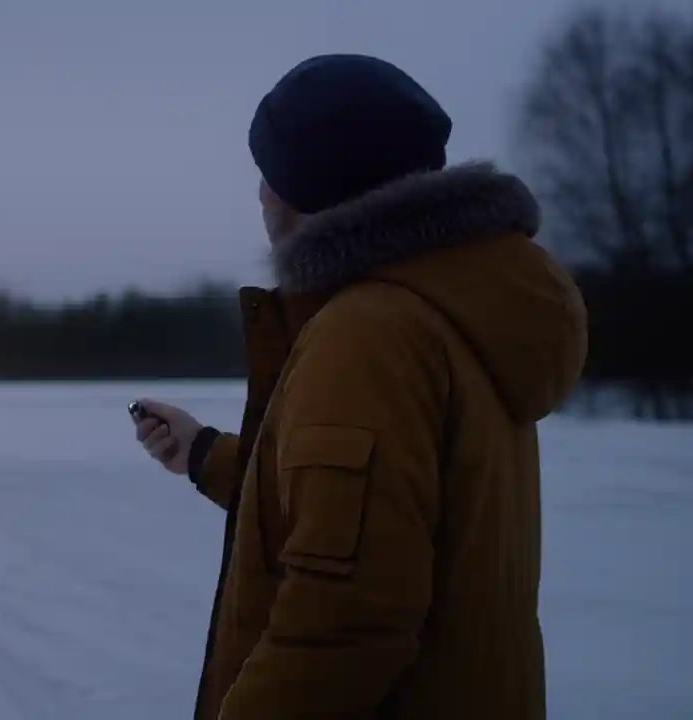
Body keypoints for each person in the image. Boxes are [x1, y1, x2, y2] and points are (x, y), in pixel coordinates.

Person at [133, 54, 587, 720]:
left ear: (303, 190)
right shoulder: (452, 310)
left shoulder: (370, 336)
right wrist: (201, 452)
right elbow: (368, 520)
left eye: (269, 172)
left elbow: (342, 625)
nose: (259, 194)